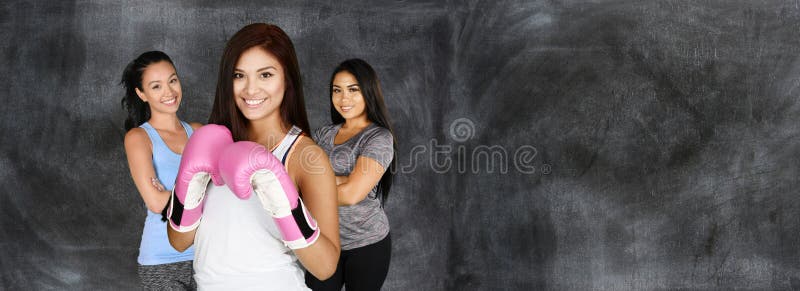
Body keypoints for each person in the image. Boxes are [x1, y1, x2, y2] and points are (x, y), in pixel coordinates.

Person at [166, 23, 340, 290]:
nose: (251, 89)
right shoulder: (211, 144)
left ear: (287, 79)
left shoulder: (305, 156)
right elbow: (179, 241)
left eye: (265, 75)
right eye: (239, 75)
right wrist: (193, 181)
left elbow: (326, 267)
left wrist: (279, 196)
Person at [306, 59, 397, 291]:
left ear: (368, 91)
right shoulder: (323, 134)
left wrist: (315, 186)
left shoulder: (378, 137)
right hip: (324, 243)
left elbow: (352, 194)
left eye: (353, 90)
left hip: (367, 245)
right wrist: (344, 179)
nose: (344, 98)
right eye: (337, 90)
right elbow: (301, 178)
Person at [121, 50, 201, 290]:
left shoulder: (198, 132)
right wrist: (202, 191)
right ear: (141, 93)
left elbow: (222, 190)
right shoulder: (139, 137)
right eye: (156, 86)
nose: (169, 92)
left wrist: (174, 195)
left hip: (207, 255)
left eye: (173, 80)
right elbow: (156, 203)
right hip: (162, 263)